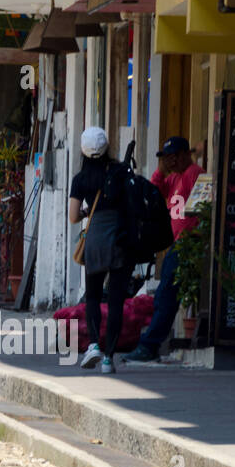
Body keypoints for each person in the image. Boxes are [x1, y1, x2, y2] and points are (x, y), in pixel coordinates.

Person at [124, 136, 204, 362]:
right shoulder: (175, 178)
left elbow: (202, 208)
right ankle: (150, 342)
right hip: (178, 242)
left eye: (176, 156)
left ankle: (149, 345)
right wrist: (161, 170)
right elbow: (153, 192)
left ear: (185, 154)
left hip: (189, 242)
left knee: (167, 292)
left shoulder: (196, 173)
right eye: (169, 158)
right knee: (163, 293)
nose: (173, 161)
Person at [68, 126, 131, 374]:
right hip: (119, 238)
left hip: (94, 239)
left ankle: (93, 345)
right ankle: (108, 359)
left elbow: (73, 217)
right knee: (116, 301)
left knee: (93, 296)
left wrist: (86, 211)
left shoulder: (81, 179)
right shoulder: (120, 172)